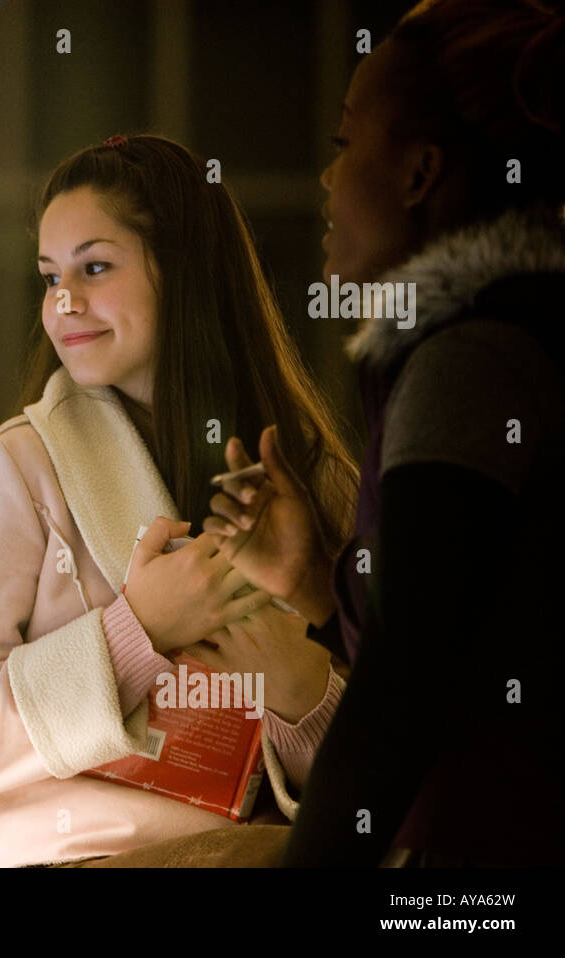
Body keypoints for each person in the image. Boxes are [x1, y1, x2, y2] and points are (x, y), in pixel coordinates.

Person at [0, 133, 359, 867]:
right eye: (50, 277)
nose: (64, 302)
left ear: (185, 274)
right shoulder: (5, 472)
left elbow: (394, 779)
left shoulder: (312, 480)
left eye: (95, 267)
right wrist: (136, 633)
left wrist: (302, 692)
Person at [205, 0, 565, 866]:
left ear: (418, 174)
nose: (328, 181)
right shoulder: (501, 343)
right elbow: (463, 627)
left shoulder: (470, 363)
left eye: (342, 144)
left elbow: (403, 698)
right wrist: (317, 588)